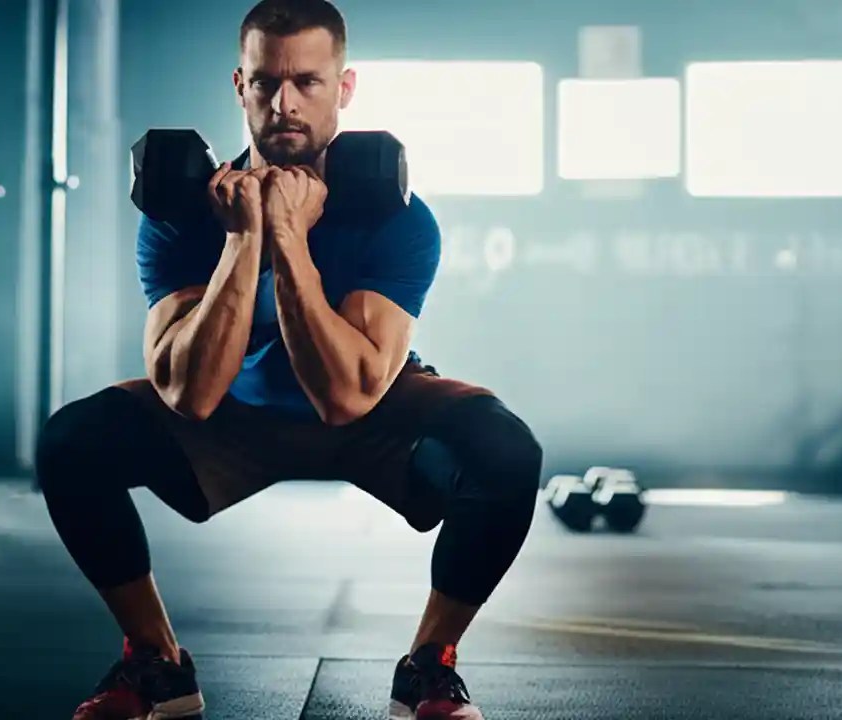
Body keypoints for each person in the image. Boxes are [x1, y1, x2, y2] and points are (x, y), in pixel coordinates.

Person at [35, 1, 543, 718]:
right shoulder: (182, 212)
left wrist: (290, 236)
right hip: (231, 408)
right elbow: (188, 393)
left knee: (505, 449)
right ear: (239, 85)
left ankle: (430, 664)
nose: (285, 103)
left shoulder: (400, 217)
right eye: (267, 82)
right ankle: (156, 661)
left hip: (370, 407)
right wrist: (246, 239)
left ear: (345, 87)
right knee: (72, 442)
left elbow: (347, 397)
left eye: (307, 81)